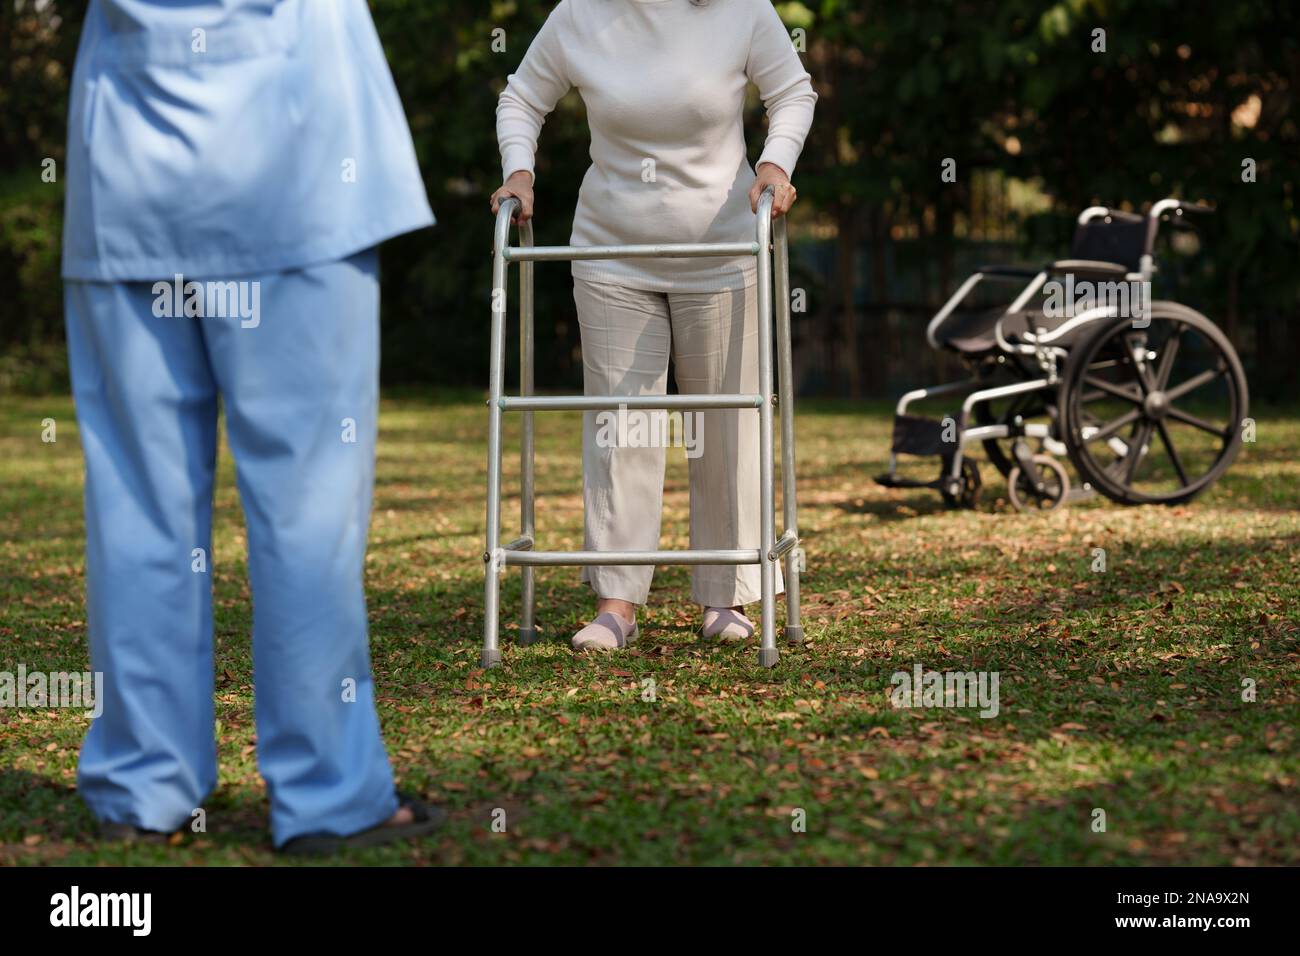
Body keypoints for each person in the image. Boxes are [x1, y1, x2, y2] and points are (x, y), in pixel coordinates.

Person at [62, 0, 440, 854]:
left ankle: (143, 784)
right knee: (305, 512)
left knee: (137, 506)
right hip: (299, 170)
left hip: (128, 168)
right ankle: (329, 794)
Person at [490, 0, 816, 651]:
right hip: (611, 252)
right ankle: (616, 605)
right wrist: (519, 173)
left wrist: (777, 164)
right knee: (621, 422)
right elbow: (521, 97)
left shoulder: (740, 9)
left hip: (722, 252)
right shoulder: (581, 13)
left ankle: (726, 598)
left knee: (726, 425)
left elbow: (792, 90)